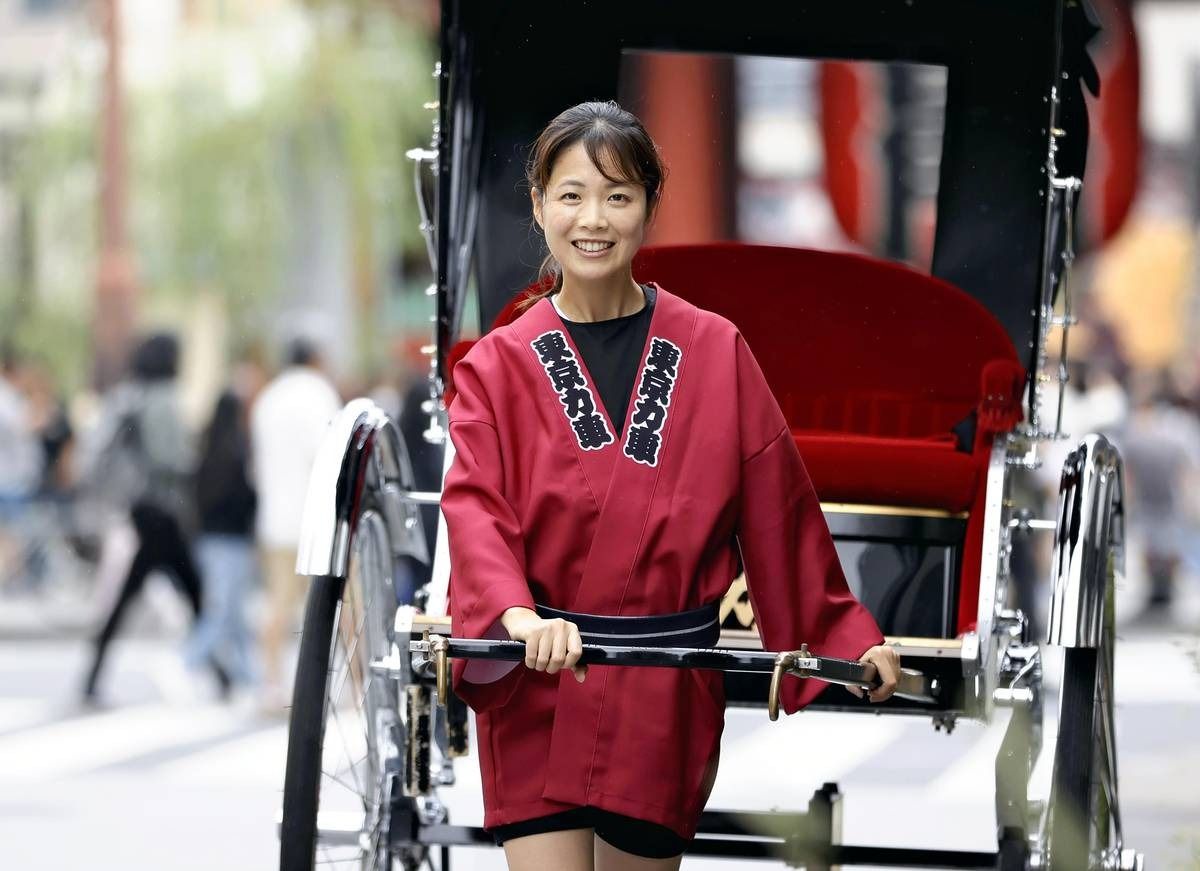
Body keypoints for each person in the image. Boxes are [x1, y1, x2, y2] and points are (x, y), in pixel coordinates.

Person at [442, 101, 900, 871]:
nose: (594, 218)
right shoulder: (495, 366)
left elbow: (778, 505)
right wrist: (517, 618)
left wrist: (844, 634)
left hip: (661, 686)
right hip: (540, 673)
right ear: (539, 204)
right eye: (572, 194)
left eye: (618, 196)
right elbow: (474, 507)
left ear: (652, 207)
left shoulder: (714, 349)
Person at [82, 333, 230, 703]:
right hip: (162, 511)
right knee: (191, 593)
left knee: (155, 595)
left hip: (141, 508)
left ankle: (221, 672)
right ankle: (222, 672)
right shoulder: (162, 397)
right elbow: (172, 457)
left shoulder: (130, 395)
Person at [250, 338, 341, 709]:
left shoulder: (268, 398)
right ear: (317, 359)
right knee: (342, 603)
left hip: (276, 517)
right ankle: (353, 686)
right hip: (317, 518)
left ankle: (272, 684)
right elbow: (329, 453)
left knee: (278, 604)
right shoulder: (318, 393)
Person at [184, 390, 259, 689]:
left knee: (233, 611)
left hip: (208, 537)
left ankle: (246, 675)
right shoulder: (237, 451)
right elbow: (244, 497)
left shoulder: (205, 447)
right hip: (232, 539)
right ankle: (189, 660)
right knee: (224, 611)